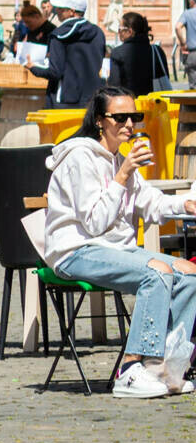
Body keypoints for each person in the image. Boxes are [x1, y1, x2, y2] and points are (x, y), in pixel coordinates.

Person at [43, 87, 196, 397]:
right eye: (121, 117)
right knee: (157, 272)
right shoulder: (79, 158)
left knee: (189, 275)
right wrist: (124, 174)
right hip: (75, 250)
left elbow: (149, 201)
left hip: (116, 251)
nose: (129, 124)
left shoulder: (117, 159)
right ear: (101, 120)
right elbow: (94, 223)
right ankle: (128, 369)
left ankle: (163, 367)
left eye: (135, 117)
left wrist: (185, 205)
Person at [33, 0, 105, 107]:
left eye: (61, 8)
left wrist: (33, 67)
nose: (57, 11)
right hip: (93, 97)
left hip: (65, 99)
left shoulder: (58, 35)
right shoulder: (98, 32)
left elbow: (55, 72)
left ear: (72, 11)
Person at [108, 11, 165, 99]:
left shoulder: (117, 53)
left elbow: (114, 87)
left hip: (129, 106)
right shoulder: (157, 51)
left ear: (130, 31)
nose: (118, 32)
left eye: (120, 29)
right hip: (154, 106)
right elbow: (164, 79)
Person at [176, 0, 196, 86]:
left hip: (193, 54)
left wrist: (183, 43)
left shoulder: (187, 14)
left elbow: (178, 27)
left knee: (193, 87)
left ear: (192, 1)